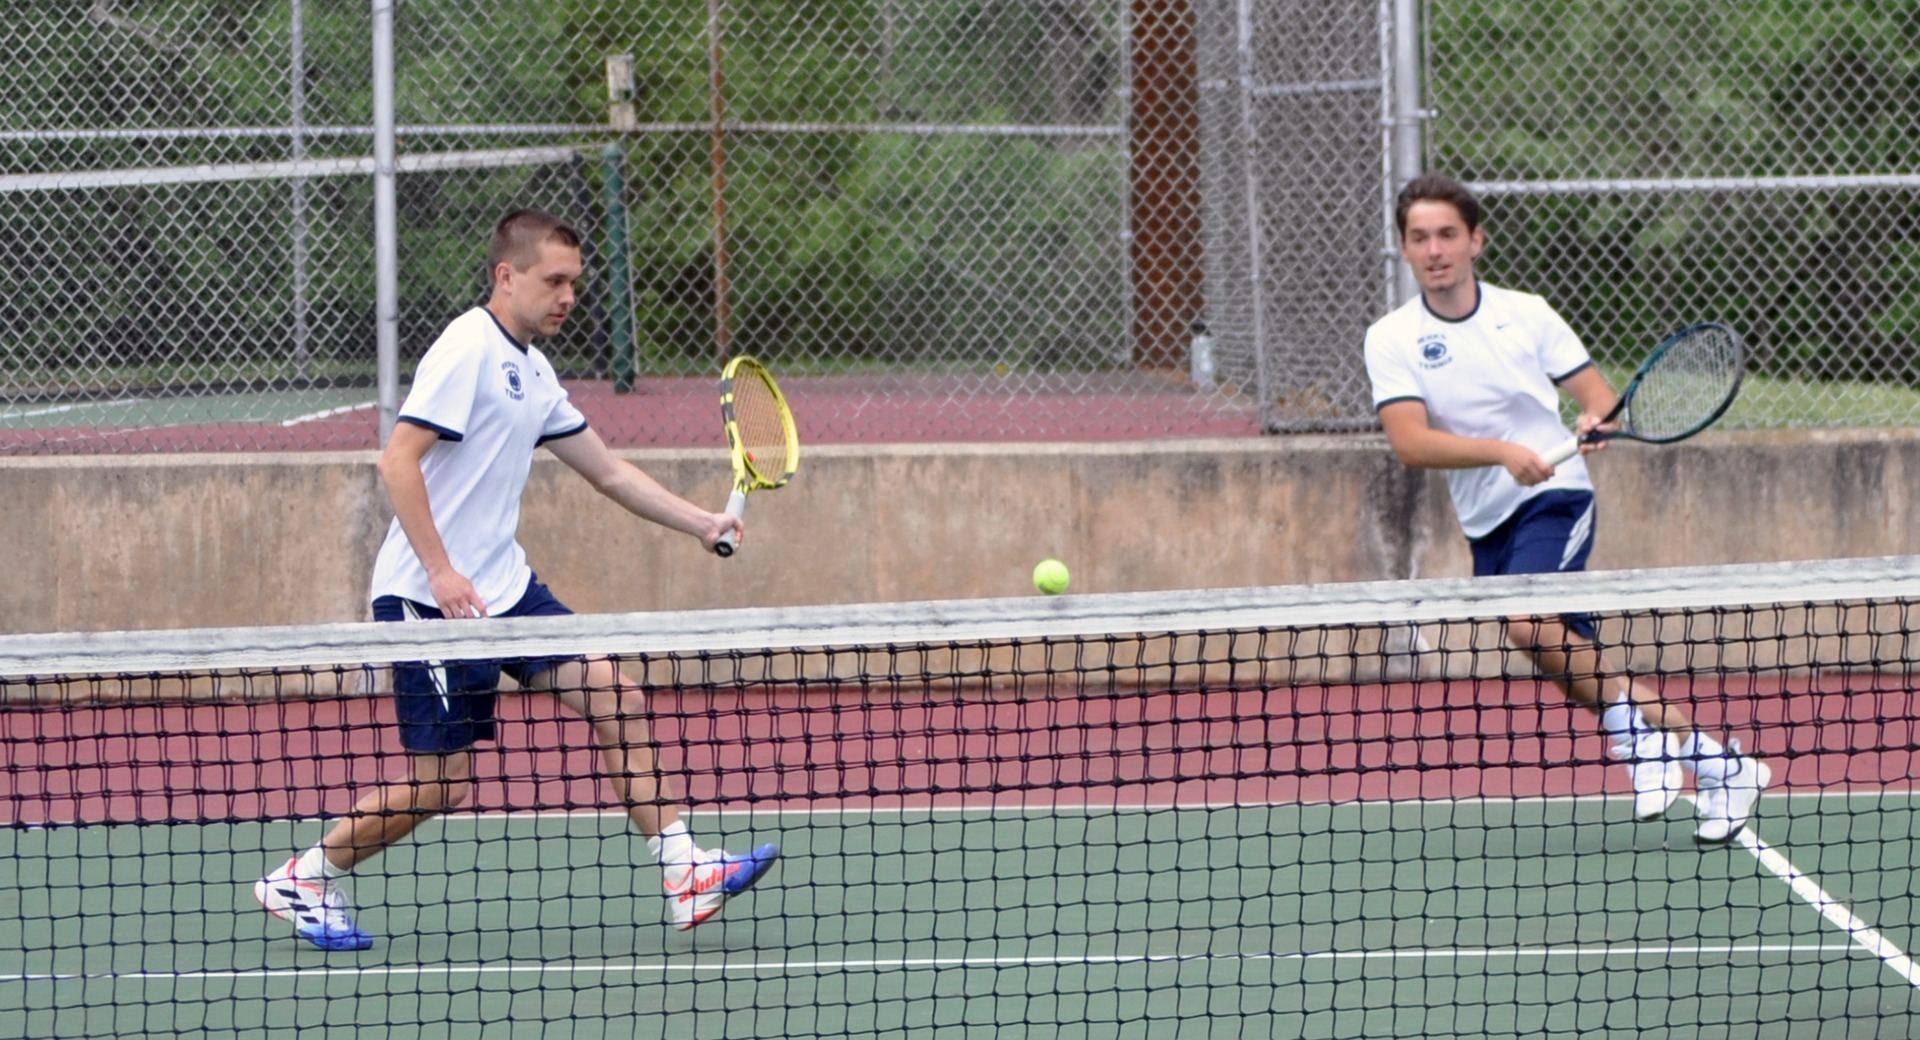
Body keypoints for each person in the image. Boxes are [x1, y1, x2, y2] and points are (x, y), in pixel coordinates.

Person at [253, 209, 778, 951]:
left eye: (575, 283)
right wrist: (440, 571)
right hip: (425, 600)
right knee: (442, 784)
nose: (568, 296)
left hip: (506, 589)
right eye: (553, 280)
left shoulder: (534, 369)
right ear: (507, 276)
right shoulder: (467, 349)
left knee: (615, 696)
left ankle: (684, 870)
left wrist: (698, 521)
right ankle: (301, 879)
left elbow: (607, 471)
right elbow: (396, 460)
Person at [1363, 173, 1770, 844]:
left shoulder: (1526, 313)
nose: (1434, 250)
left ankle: (1644, 753)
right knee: (1580, 665)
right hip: (1485, 521)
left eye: (1447, 235)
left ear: (1475, 240)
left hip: (1556, 496)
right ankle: (1722, 767)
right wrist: (1501, 452)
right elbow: (1410, 442)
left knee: (1528, 624)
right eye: (1419, 238)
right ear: (1404, 250)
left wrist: (1598, 420)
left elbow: (1602, 400)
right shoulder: (1392, 337)